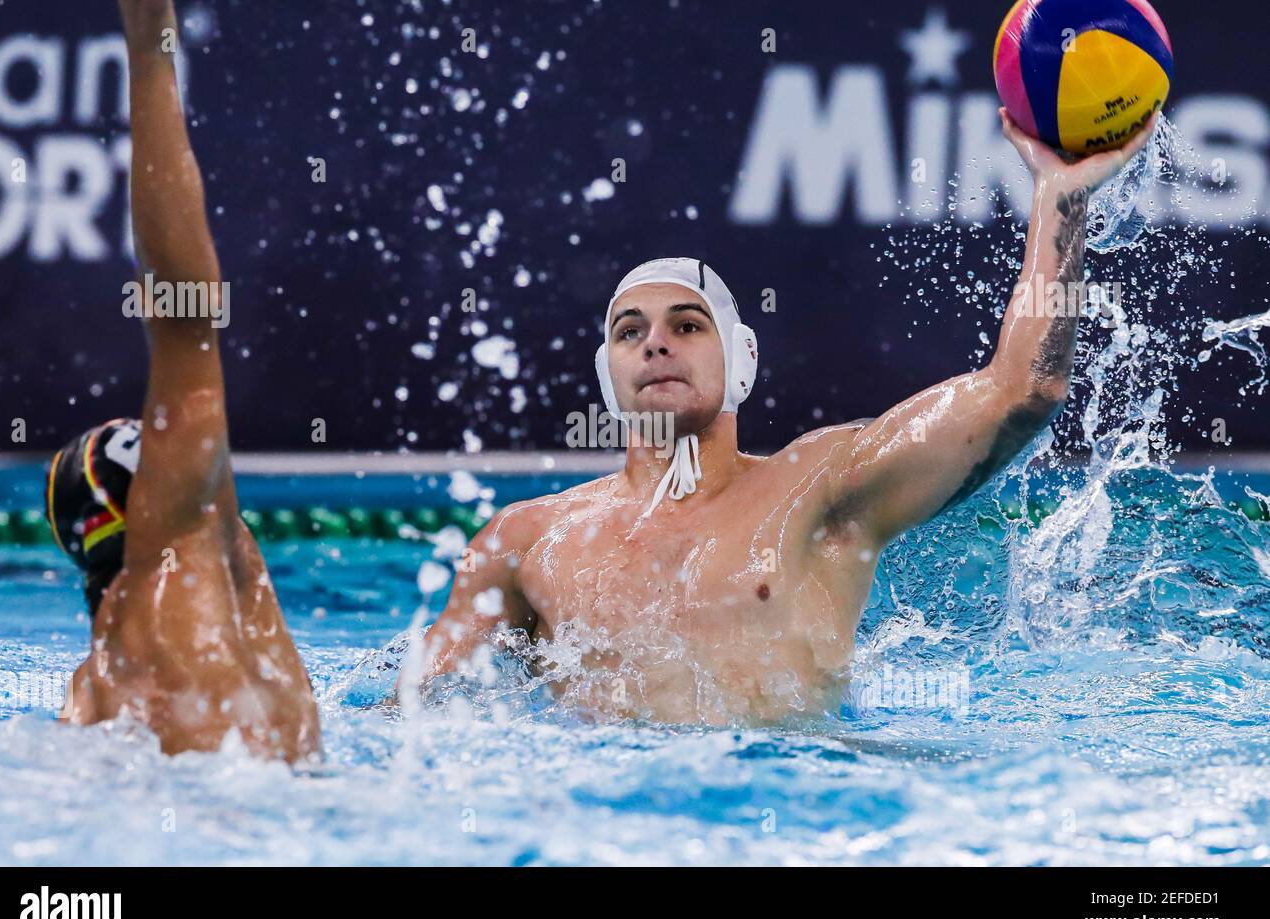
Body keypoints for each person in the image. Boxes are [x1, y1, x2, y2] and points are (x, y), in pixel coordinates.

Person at [415, 108, 1159, 725]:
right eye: (629, 332)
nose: (657, 344)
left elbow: (1021, 391)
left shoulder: (821, 490)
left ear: (739, 359)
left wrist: (1060, 202)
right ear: (607, 375)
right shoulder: (525, 540)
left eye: (687, 324)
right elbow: (414, 720)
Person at [46, 0, 320, 761]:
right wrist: (148, 45)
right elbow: (183, 314)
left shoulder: (89, 693)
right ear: (147, 495)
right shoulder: (191, 556)